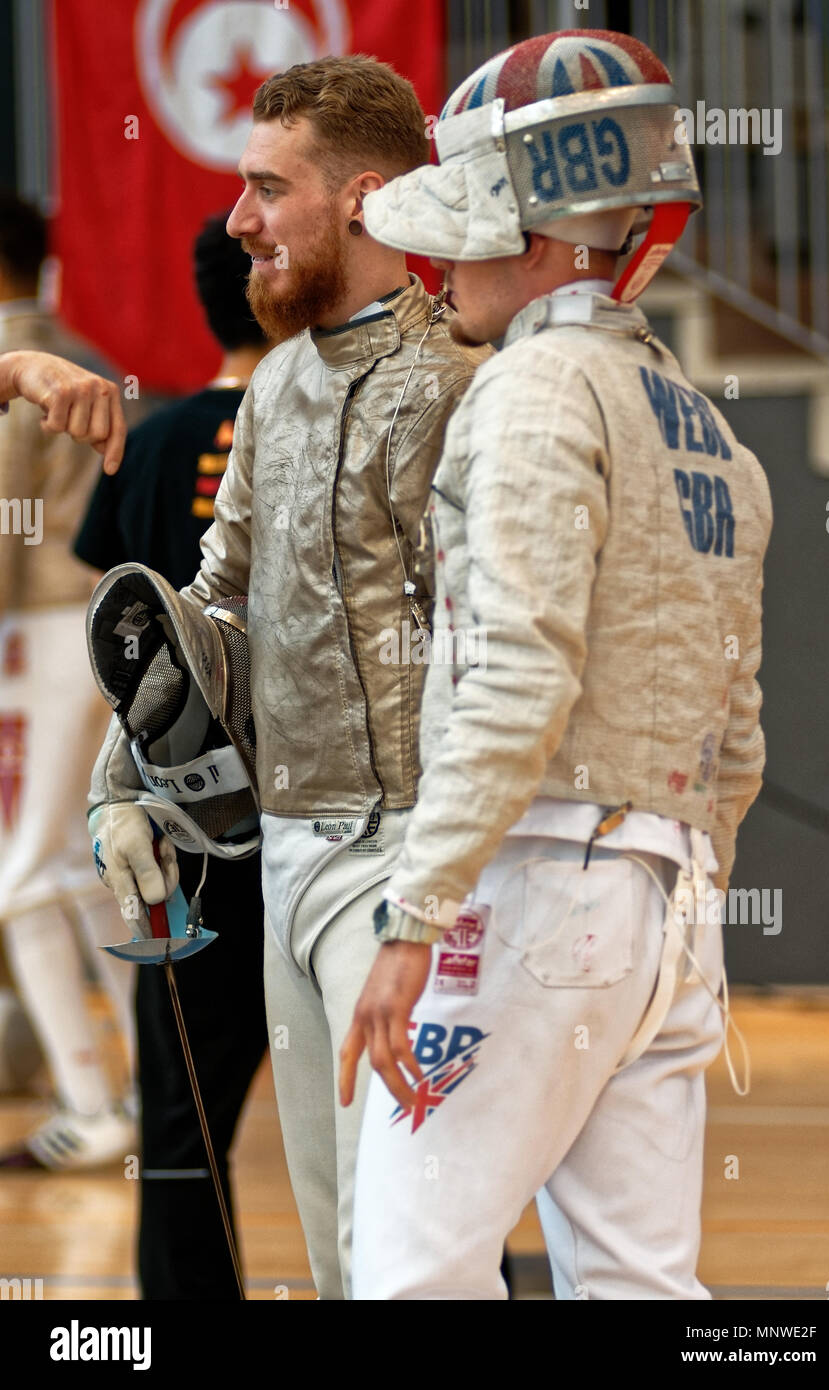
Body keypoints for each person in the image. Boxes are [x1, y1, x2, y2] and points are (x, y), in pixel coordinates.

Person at [341, 28, 773, 1301]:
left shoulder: (530, 393)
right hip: (667, 908)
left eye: (464, 231)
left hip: (526, 891)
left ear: (538, 239)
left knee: (411, 1275)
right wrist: (673, 900)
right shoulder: (708, 436)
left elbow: (515, 673)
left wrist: (416, 913)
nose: (435, 263)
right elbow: (733, 734)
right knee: (642, 1288)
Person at [86, 56, 490, 1299]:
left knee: (407, 1253)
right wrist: (120, 785)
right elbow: (214, 603)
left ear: (362, 200)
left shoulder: (455, 389)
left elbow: (499, 653)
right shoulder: (274, 385)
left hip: (413, 867)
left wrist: (441, 890)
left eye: (267, 188)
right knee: (338, 1254)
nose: (237, 222)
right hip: (289, 859)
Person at [74, 213, 270, 1299]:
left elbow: (110, 635)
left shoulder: (149, 443)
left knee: (180, 1128)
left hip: (183, 838)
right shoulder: (309, 429)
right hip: (311, 823)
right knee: (398, 1124)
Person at [0, 192, 135, 1169]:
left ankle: (95, 1108)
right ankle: (152, 1093)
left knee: (20, 882)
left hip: (36, 633)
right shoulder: (75, 344)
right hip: (87, 628)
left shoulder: (17, 368)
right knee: (86, 878)